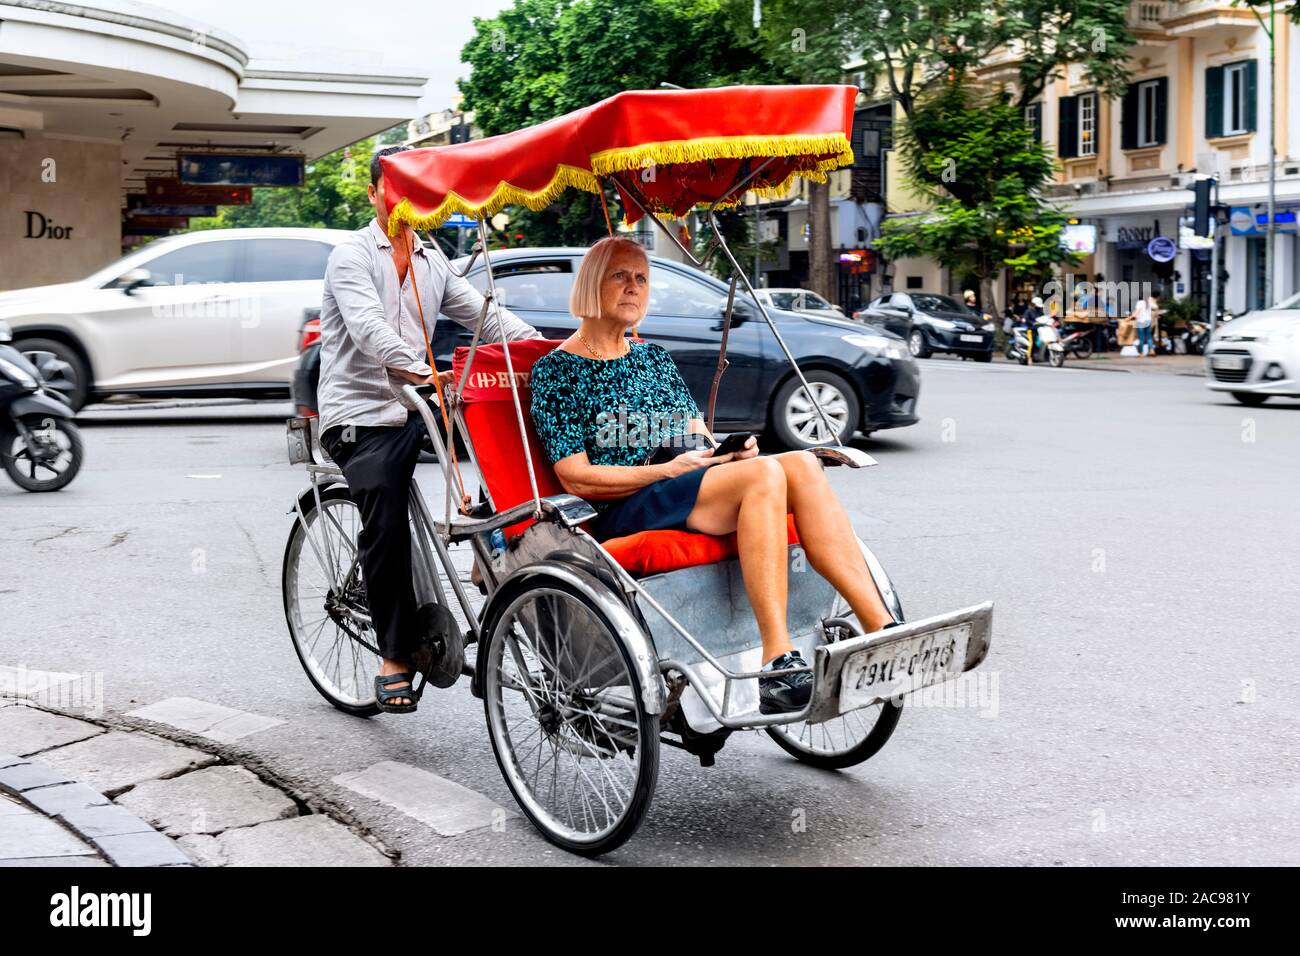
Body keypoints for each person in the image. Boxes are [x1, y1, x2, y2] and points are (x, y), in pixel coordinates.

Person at [528, 237, 895, 715]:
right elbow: (575, 476)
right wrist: (667, 468)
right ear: (592, 285)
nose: (633, 288)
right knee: (764, 478)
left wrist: (728, 452)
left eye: (641, 278)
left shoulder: (652, 358)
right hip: (624, 507)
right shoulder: (556, 371)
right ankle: (777, 661)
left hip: (683, 484)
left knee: (802, 463)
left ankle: (880, 628)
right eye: (620, 276)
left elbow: (695, 435)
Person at [316, 145, 541, 713]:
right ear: (374, 195)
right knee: (386, 506)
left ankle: (490, 561)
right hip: (359, 417)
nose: (404, 203)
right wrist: (422, 371)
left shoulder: (432, 259)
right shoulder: (351, 256)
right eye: (393, 190)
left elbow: (485, 317)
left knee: (510, 455)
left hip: (420, 406)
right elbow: (368, 329)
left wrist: (547, 353)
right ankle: (393, 653)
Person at [1130, 290, 1159, 357]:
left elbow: (1137, 311)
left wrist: (1130, 317)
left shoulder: (1140, 302)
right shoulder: (1149, 302)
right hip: (1148, 321)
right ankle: (1152, 351)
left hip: (1141, 321)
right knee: (1149, 337)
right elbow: (1156, 307)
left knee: (1141, 338)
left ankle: (1141, 353)